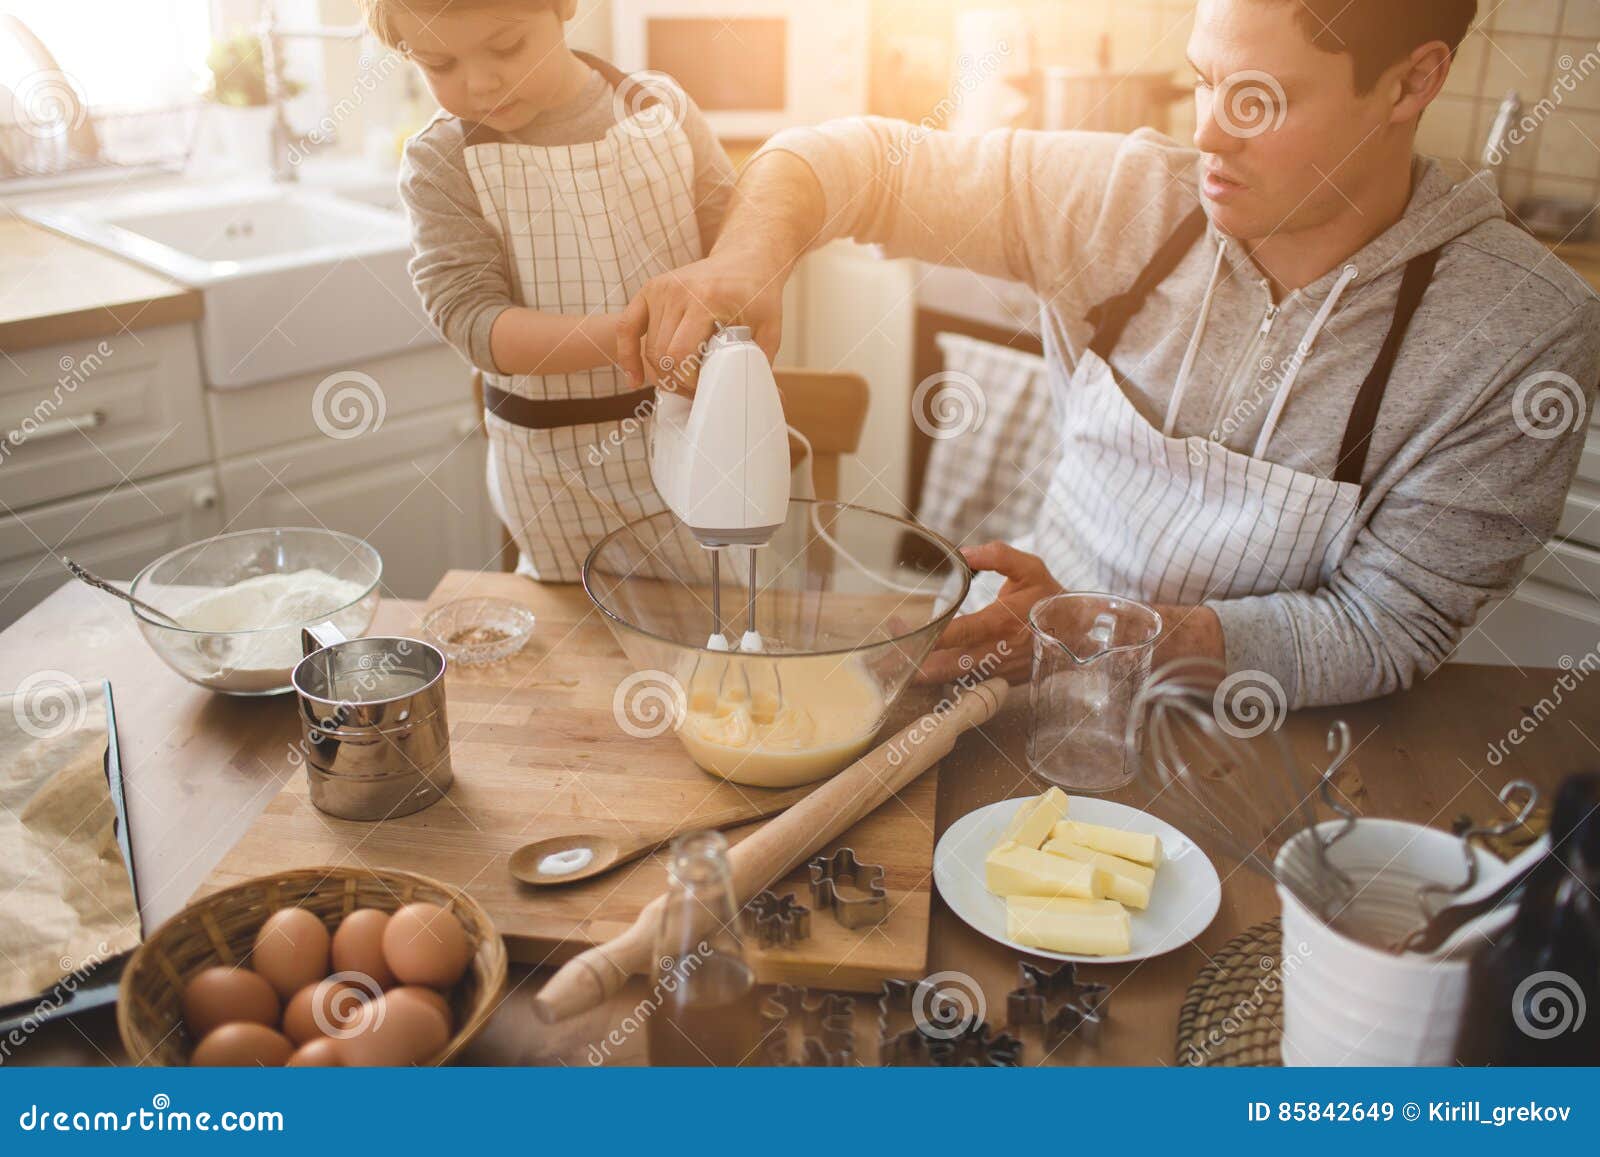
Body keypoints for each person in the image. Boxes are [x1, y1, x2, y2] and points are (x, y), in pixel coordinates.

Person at [617, 0, 1600, 708]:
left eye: (1259, 100)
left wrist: (1104, 631)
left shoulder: (1517, 332)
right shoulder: (1123, 199)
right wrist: (745, 261)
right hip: (1031, 701)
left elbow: (1393, 624)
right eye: (1206, 81)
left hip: (1282, 749)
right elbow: (854, 158)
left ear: (1411, 81)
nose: (1207, 133)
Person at [369, 0, 736, 581]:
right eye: (440, 64)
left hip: (701, 437)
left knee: (718, 631)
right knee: (580, 646)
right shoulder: (444, 162)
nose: (481, 82)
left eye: (507, 47)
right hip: (556, 477)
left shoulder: (660, 108)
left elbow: (736, 248)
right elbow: (474, 323)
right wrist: (631, 337)